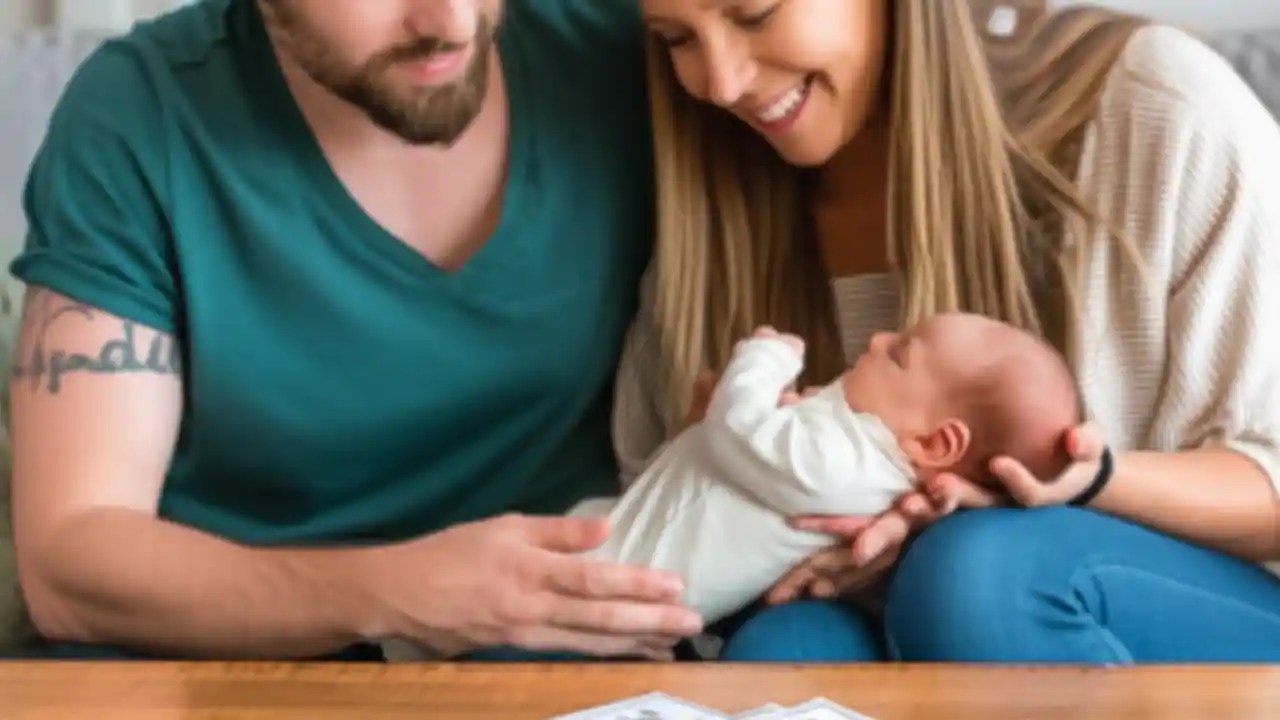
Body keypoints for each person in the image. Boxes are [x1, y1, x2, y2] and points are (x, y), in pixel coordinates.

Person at [6, 0, 705, 662]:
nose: (451, 24)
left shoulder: (629, 40)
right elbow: (71, 562)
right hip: (217, 663)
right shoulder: (140, 113)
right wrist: (397, 592)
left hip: (557, 657)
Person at [622, 0, 1280, 663]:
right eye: (677, 39)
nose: (721, 82)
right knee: (786, 647)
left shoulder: (1152, 104)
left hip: (1209, 608)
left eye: (757, 14)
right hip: (906, 622)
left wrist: (1072, 481)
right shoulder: (709, 204)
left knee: (979, 571)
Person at [386, 313, 1080, 661]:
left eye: (899, 355)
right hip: (632, 540)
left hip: (628, 584)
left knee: (517, 636)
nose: (874, 340)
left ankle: (400, 651)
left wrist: (763, 358)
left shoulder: (845, 467)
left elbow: (737, 428)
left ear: (935, 444)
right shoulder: (845, 447)